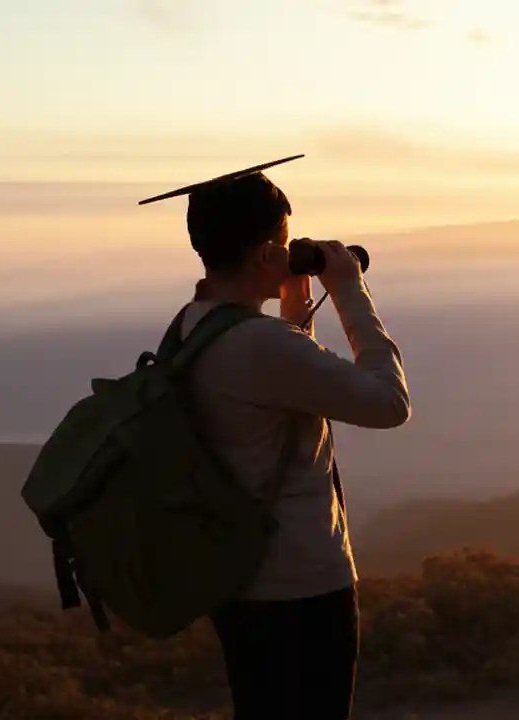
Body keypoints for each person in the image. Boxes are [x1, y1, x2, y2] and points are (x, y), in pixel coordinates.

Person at [172, 167, 410, 718]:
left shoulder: (192, 326)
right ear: (262, 257)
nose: (288, 254)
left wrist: (293, 327)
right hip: (301, 593)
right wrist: (349, 290)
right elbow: (389, 404)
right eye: (282, 245)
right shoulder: (261, 345)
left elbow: (261, 407)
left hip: (239, 588)